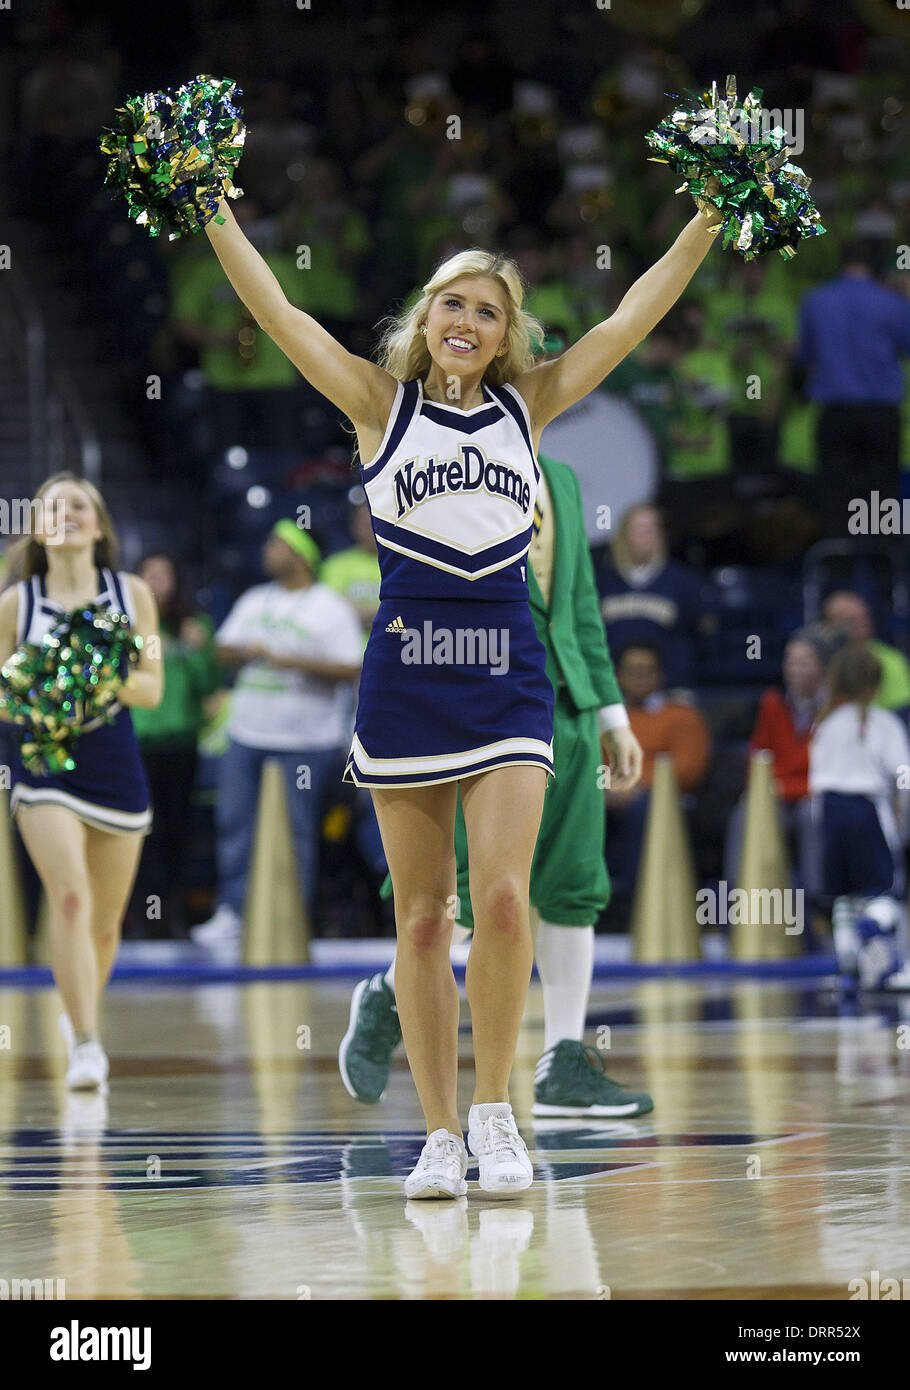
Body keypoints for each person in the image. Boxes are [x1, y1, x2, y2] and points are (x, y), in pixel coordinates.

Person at [202, 182, 722, 1197]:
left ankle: (495, 1115)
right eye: (454, 303)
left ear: (504, 336)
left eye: (488, 311)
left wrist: (705, 216)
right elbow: (275, 311)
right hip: (405, 672)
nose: (468, 322)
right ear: (425, 318)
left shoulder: (532, 405)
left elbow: (632, 316)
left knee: (504, 901)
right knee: (425, 917)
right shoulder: (374, 404)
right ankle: (438, 1131)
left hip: (504, 668)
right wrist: (211, 210)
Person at [339, 449, 652, 1119]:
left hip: (564, 703)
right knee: (466, 900)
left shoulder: (563, 478)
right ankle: (388, 995)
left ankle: (564, 1060)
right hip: (480, 702)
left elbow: (582, 607)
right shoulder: (445, 463)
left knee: (574, 883)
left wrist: (612, 714)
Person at [0, 472, 162, 1090]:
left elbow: (152, 687)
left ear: (99, 525)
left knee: (104, 923)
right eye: (51, 507)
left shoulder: (133, 594)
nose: (65, 515)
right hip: (45, 761)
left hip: (114, 761)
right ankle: (88, 1044)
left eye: (78, 506)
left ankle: (78, 1012)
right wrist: (41, 694)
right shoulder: (18, 603)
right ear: (37, 529)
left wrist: (89, 675)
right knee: (69, 897)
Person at [191, 519, 364, 954]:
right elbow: (221, 650)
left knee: (295, 831)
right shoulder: (254, 599)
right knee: (234, 824)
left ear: (301, 555)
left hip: (306, 741)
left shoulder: (330, 607)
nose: (267, 549)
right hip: (247, 732)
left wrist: (291, 660)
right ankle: (234, 912)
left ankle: (289, 916)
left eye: (277, 544)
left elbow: (351, 667)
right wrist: (244, 651)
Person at [129, 553, 226, 938]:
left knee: (178, 834)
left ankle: (175, 918)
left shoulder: (194, 627)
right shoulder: (124, 627)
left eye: (163, 575)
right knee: (138, 835)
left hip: (181, 746)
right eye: (148, 574)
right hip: (137, 745)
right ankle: (139, 919)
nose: (156, 582)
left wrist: (199, 651)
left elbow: (209, 687)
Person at [809, 643, 910, 990]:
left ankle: (849, 967)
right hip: (868, 810)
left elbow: (816, 784)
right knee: (884, 891)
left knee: (843, 897)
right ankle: (876, 926)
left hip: (830, 813)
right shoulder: (886, 725)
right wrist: (901, 815)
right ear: (877, 684)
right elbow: (904, 775)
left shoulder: (826, 725)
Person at [796, 240, 910, 538]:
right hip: (880, 416)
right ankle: (881, 571)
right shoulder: (891, 302)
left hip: (835, 415)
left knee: (835, 498)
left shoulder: (815, 300)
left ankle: (838, 573)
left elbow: (804, 357)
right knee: (881, 498)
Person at [724, 625, 838, 910]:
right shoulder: (773, 703)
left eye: (804, 662)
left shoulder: (837, 708)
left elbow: (829, 769)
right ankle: (741, 900)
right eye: (790, 661)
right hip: (778, 791)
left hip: (816, 792)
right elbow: (759, 754)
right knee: (747, 811)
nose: (794, 669)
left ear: (823, 667)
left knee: (811, 815)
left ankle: (818, 905)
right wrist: (760, 788)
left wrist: (783, 785)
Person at [605, 643, 711, 924]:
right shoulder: (604, 719)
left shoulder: (682, 715)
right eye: (631, 671)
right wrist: (606, 787)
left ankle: (635, 905)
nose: (639, 678)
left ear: (660, 676)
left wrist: (635, 786)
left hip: (665, 801)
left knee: (641, 809)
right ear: (618, 676)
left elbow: (688, 770)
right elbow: (591, 762)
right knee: (576, 807)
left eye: (647, 671)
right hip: (610, 797)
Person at [594, 504, 715, 689]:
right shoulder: (600, 581)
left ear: (661, 535)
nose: (644, 537)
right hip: (610, 688)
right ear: (623, 535)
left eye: (651, 529)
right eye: (637, 529)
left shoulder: (683, 582)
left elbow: (700, 635)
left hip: (668, 691)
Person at [822, 591, 910, 714]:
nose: (862, 625)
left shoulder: (891, 660)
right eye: (850, 621)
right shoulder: (818, 658)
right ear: (829, 625)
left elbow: (902, 712)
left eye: (864, 617)